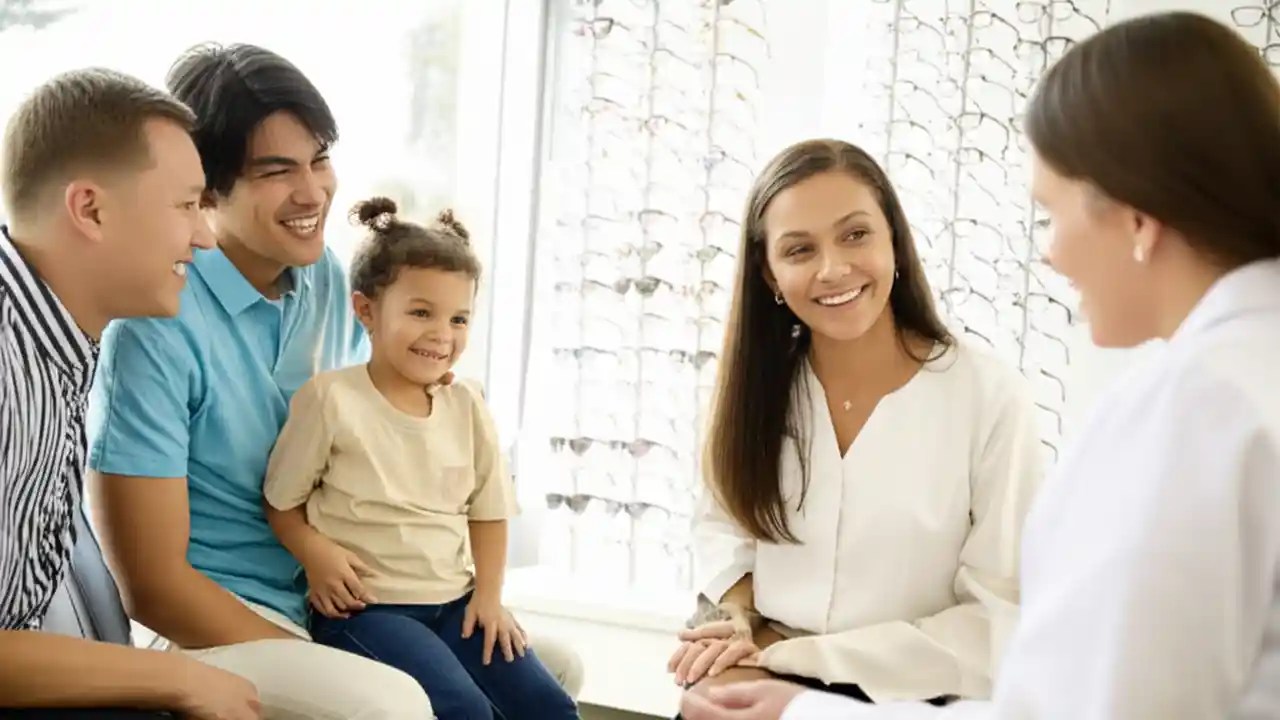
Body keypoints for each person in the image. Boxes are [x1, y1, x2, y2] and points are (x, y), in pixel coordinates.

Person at [681, 11, 1280, 720]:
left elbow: (1071, 690)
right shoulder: (1226, 383)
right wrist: (746, 639)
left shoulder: (1187, 409)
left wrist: (796, 688)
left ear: (1134, 218)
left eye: (1051, 213)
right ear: (768, 273)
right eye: (799, 249)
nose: (1051, 254)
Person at [670, 138, 1044, 708]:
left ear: (894, 238)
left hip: (912, 701)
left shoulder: (990, 397)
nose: (833, 268)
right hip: (759, 675)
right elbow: (725, 538)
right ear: (769, 276)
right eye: (798, 250)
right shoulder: (752, 398)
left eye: (855, 234)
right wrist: (732, 625)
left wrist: (794, 662)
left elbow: (997, 619)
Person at [0, 68, 265, 718]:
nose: (204, 237)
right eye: (185, 206)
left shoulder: (57, 343)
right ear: (90, 209)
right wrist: (175, 679)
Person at [263, 198, 580, 720]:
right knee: (463, 710)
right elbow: (281, 503)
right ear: (366, 310)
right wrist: (315, 555)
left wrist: (490, 598)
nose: (442, 334)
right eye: (420, 313)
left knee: (548, 707)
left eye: (459, 318)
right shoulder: (331, 400)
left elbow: (489, 510)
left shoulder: (467, 404)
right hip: (367, 612)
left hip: (456, 603)